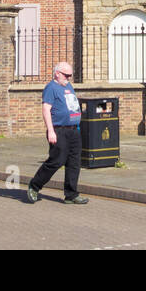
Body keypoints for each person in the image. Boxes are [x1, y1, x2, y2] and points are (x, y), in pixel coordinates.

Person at [26, 61, 87, 204]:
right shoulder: (51, 88)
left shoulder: (68, 86)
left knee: (74, 163)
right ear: (57, 73)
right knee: (56, 161)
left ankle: (71, 194)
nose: (69, 78)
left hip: (73, 131)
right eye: (66, 75)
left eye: (70, 75)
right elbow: (46, 109)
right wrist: (51, 131)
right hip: (59, 130)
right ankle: (34, 186)